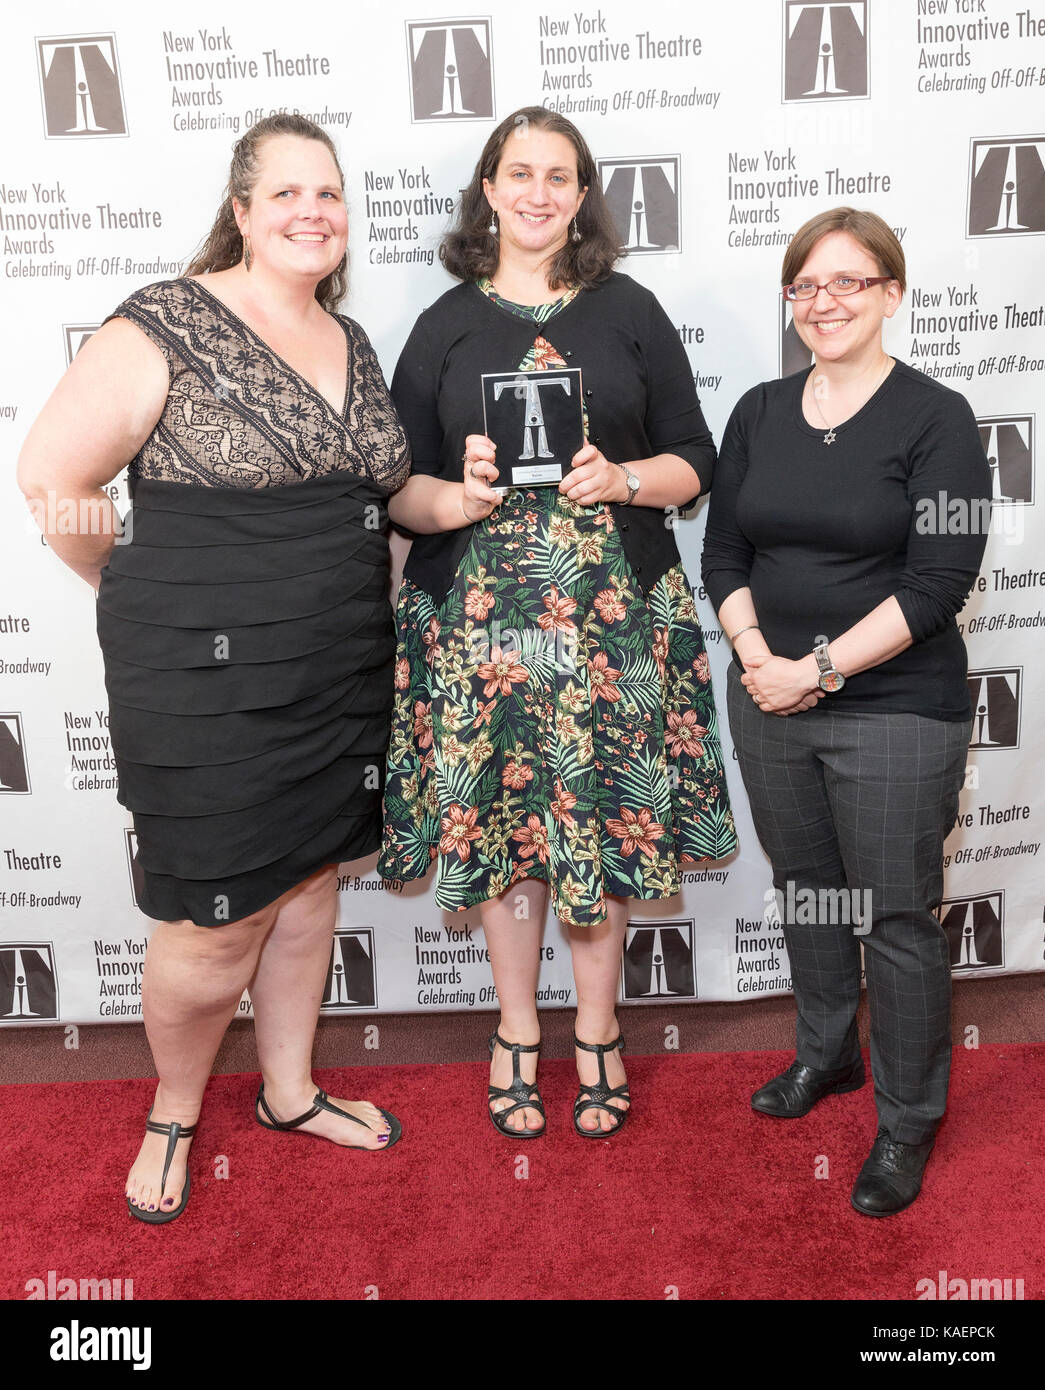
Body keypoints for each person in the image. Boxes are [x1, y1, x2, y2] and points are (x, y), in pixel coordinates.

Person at [17, 115, 409, 1224]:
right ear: (240, 210)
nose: (310, 212)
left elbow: (374, 500)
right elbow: (53, 479)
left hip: (339, 660)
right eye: (284, 193)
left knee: (313, 876)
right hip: (204, 672)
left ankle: (288, 1092)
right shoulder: (167, 321)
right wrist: (149, 596)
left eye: (327, 193)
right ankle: (176, 1110)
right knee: (212, 920)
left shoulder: (353, 339)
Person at [380, 107, 736, 1139]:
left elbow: (695, 459)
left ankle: (597, 1029)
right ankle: (513, 1030)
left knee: (602, 824)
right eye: (519, 172)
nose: (539, 192)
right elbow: (396, 488)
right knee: (501, 832)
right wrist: (458, 491)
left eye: (560, 176)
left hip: (611, 625)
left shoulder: (629, 308)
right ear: (487, 188)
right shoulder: (444, 324)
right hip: (478, 631)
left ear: (581, 196)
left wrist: (622, 476)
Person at [701, 207, 990, 1215]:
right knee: (810, 892)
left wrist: (813, 669)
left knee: (895, 918)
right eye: (805, 286)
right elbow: (723, 555)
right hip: (768, 699)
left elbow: (937, 583)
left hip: (893, 711)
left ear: (891, 293)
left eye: (847, 282)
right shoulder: (759, 412)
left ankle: (907, 1122)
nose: (823, 302)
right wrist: (756, 659)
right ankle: (827, 1057)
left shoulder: (935, 417)